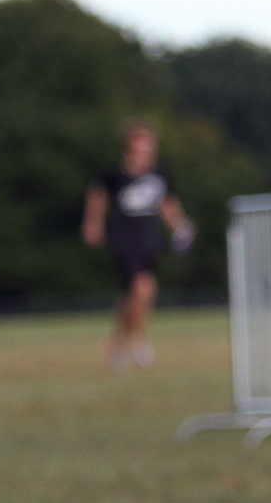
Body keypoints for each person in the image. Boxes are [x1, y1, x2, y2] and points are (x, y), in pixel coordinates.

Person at [81, 118, 193, 372]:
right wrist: (93, 223)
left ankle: (116, 343)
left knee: (136, 295)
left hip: (149, 239)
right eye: (139, 147)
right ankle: (138, 340)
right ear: (128, 148)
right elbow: (97, 196)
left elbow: (167, 203)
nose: (145, 153)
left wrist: (180, 225)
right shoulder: (115, 174)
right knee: (143, 289)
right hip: (124, 240)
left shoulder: (160, 174)